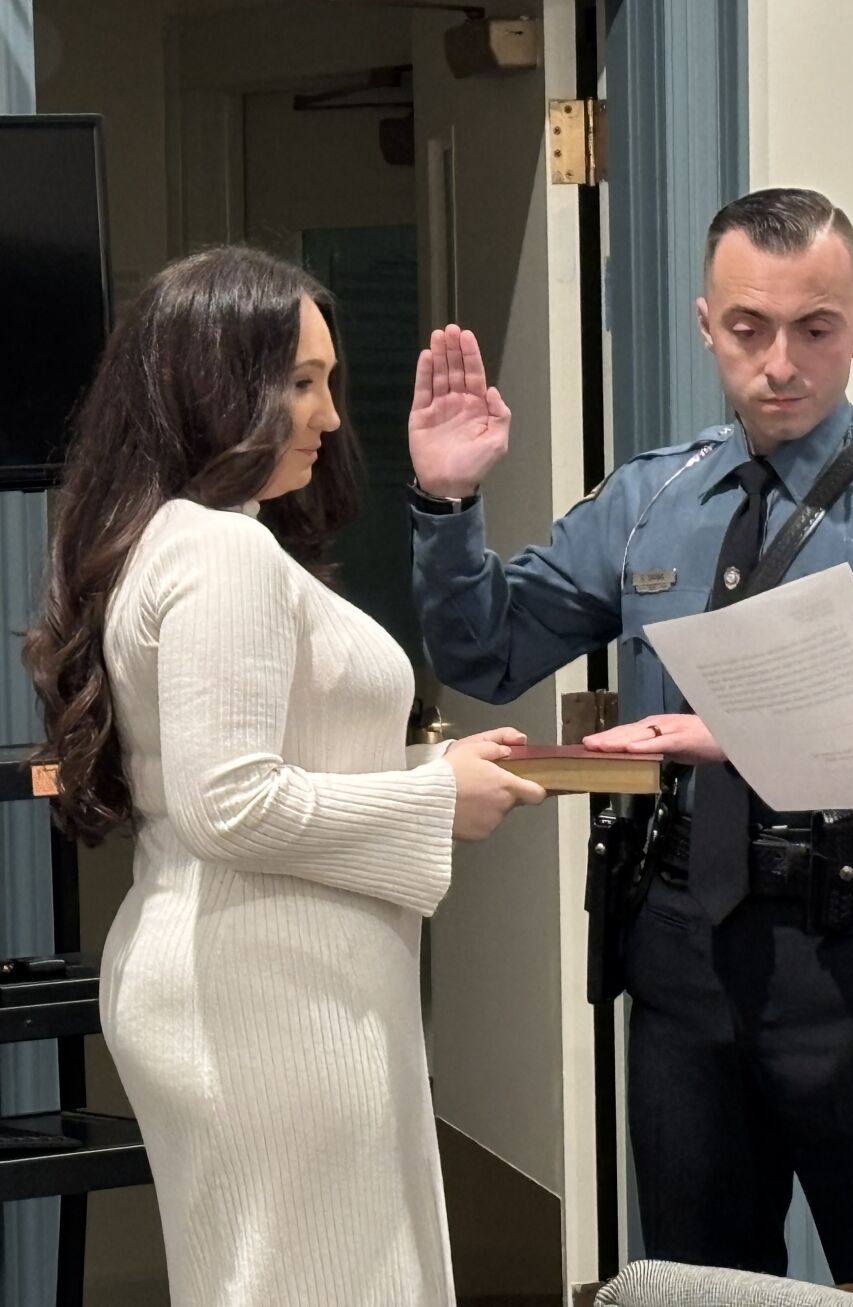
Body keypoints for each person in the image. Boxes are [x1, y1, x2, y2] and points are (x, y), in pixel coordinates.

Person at [409, 187, 853, 1283]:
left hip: (852, 939)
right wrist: (448, 506)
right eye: (748, 329)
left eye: (814, 328)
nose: (779, 361)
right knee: (696, 1274)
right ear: (706, 324)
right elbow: (488, 652)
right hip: (683, 938)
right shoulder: (654, 500)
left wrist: (728, 730)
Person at [24, 246, 544, 1307]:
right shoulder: (221, 553)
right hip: (266, 981)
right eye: (299, 383)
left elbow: (235, 770)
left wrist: (428, 764)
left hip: (256, 964)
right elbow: (232, 801)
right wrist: (436, 794)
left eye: (327, 383)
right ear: (216, 383)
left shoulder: (184, 541)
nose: (329, 416)